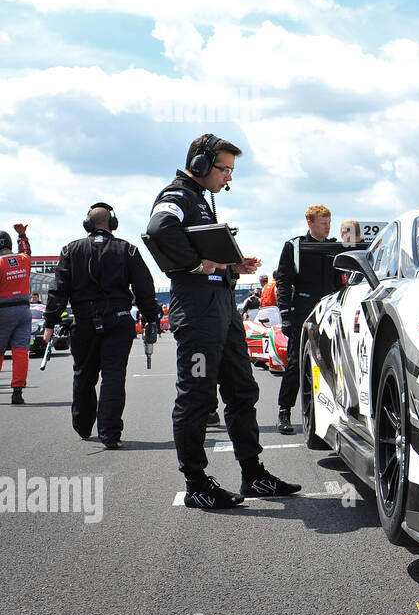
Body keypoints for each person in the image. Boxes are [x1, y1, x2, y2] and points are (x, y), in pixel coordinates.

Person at [146, 134, 300, 508]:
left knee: (243, 390)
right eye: (224, 169)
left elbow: (205, 253)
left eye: (231, 170)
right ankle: (196, 483)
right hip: (197, 314)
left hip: (222, 309)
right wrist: (196, 265)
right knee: (197, 397)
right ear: (200, 164)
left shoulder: (199, 200)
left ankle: (253, 474)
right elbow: (157, 230)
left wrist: (233, 265)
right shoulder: (178, 195)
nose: (228, 178)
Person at [42, 204, 159, 448]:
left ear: (88, 224)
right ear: (112, 223)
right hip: (118, 320)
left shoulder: (70, 250)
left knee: (83, 375)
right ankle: (110, 434)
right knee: (113, 377)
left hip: (83, 322)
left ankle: (83, 425)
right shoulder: (127, 250)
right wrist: (150, 318)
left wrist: (50, 322)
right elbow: (144, 287)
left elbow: (58, 289)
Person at [275, 204, 342, 434]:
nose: (327, 228)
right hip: (303, 311)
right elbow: (283, 281)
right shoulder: (295, 246)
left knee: (333, 363)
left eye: (329, 223)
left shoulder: (336, 247)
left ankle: (331, 413)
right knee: (295, 363)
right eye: (323, 224)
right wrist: (284, 314)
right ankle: (284, 411)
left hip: (331, 311)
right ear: (310, 223)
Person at [0, 226, 33, 404]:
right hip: (24, 311)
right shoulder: (23, 259)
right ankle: (17, 392)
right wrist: (22, 235)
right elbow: (26, 250)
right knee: (20, 352)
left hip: (3, 312)